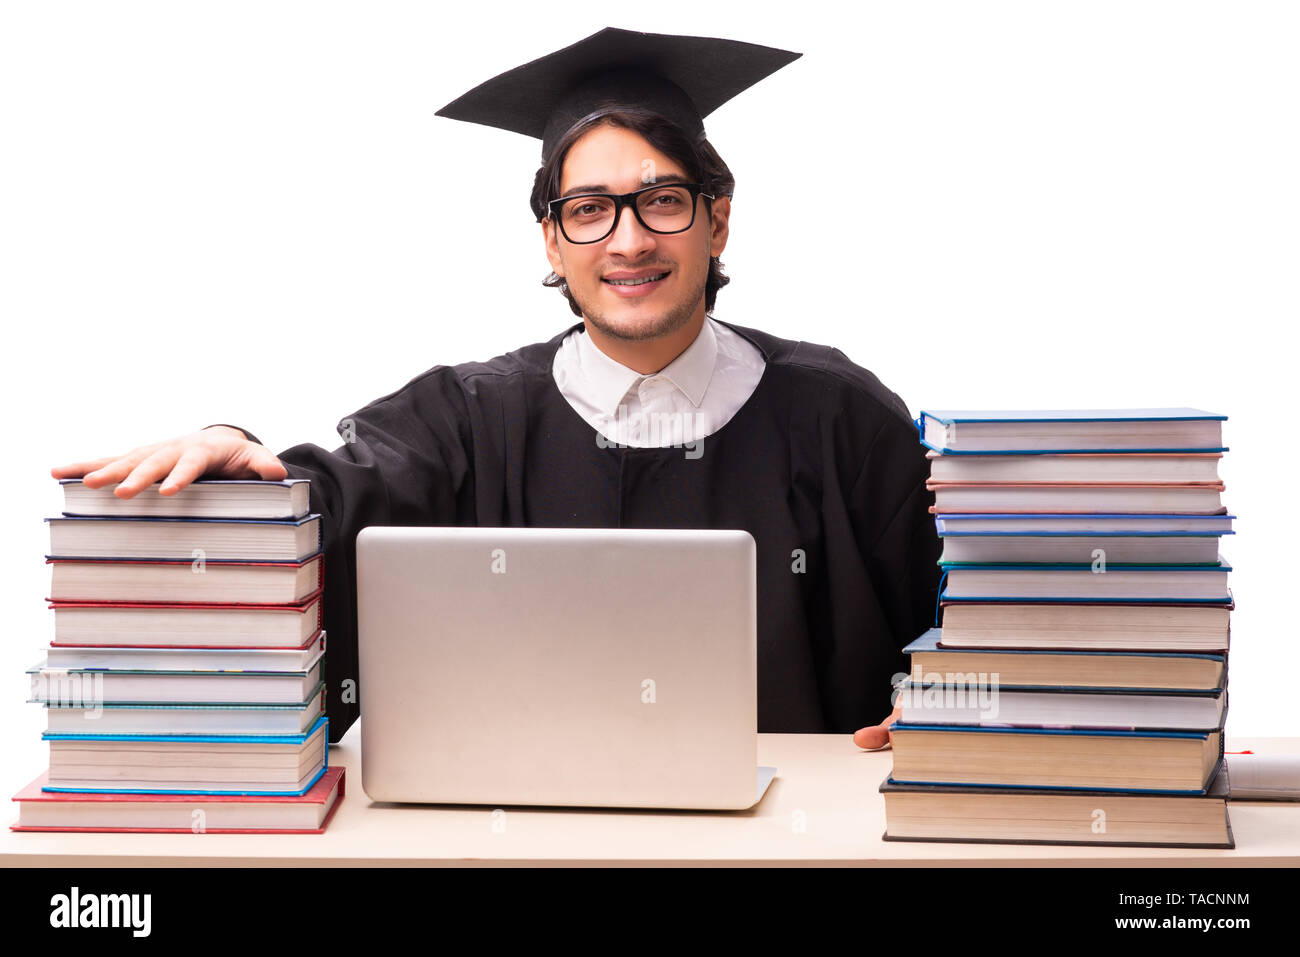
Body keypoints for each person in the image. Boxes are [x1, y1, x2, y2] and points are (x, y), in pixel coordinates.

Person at [51, 28, 940, 751]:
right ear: (552, 243)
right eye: (588, 209)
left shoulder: (842, 416)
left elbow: (968, 611)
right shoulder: (468, 417)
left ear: (719, 216)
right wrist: (238, 458)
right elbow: (328, 499)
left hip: (797, 850)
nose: (628, 240)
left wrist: (951, 703)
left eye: (662, 198)